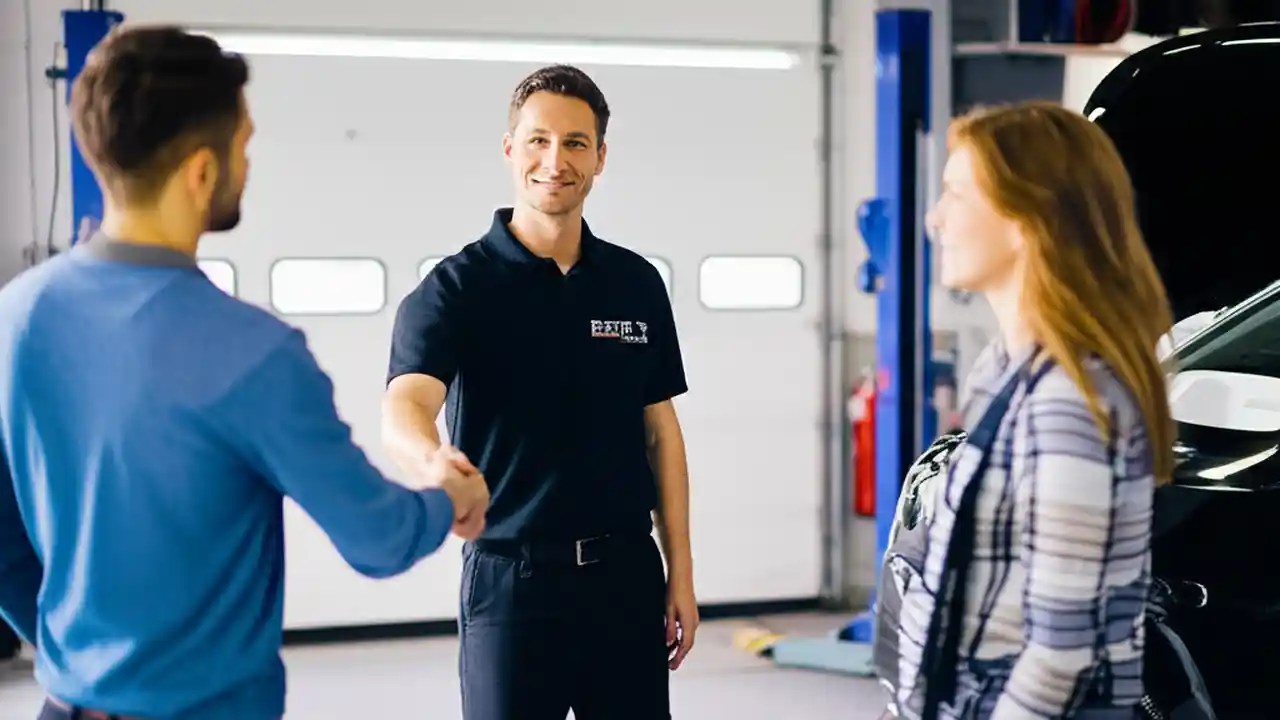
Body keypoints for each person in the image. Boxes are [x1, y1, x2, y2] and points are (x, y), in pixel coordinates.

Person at [0, 25, 488, 720]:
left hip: (66, 706)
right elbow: (376, 537)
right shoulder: (253, 352)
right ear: (201, 171)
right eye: (243, 145)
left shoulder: (15, 316)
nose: (247, 165)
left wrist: (67, 660)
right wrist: (447, 494)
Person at [382, 64, 696, 719]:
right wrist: (433, 460)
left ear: (601, 158)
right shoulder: (457, 288)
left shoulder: (635, 283)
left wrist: (681, 575)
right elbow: (405, 403)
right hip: (511, 583)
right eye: (538, 140)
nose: (556, 160)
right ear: (509, 150)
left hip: (625, 579)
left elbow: (660, 432)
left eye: (577, 143)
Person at [893, 102, 1175, 719]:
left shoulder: (1071, 399)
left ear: (1028, 217)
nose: (934, 218)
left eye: (955, 194)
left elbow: (1061, 654)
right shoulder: (1005, 367)